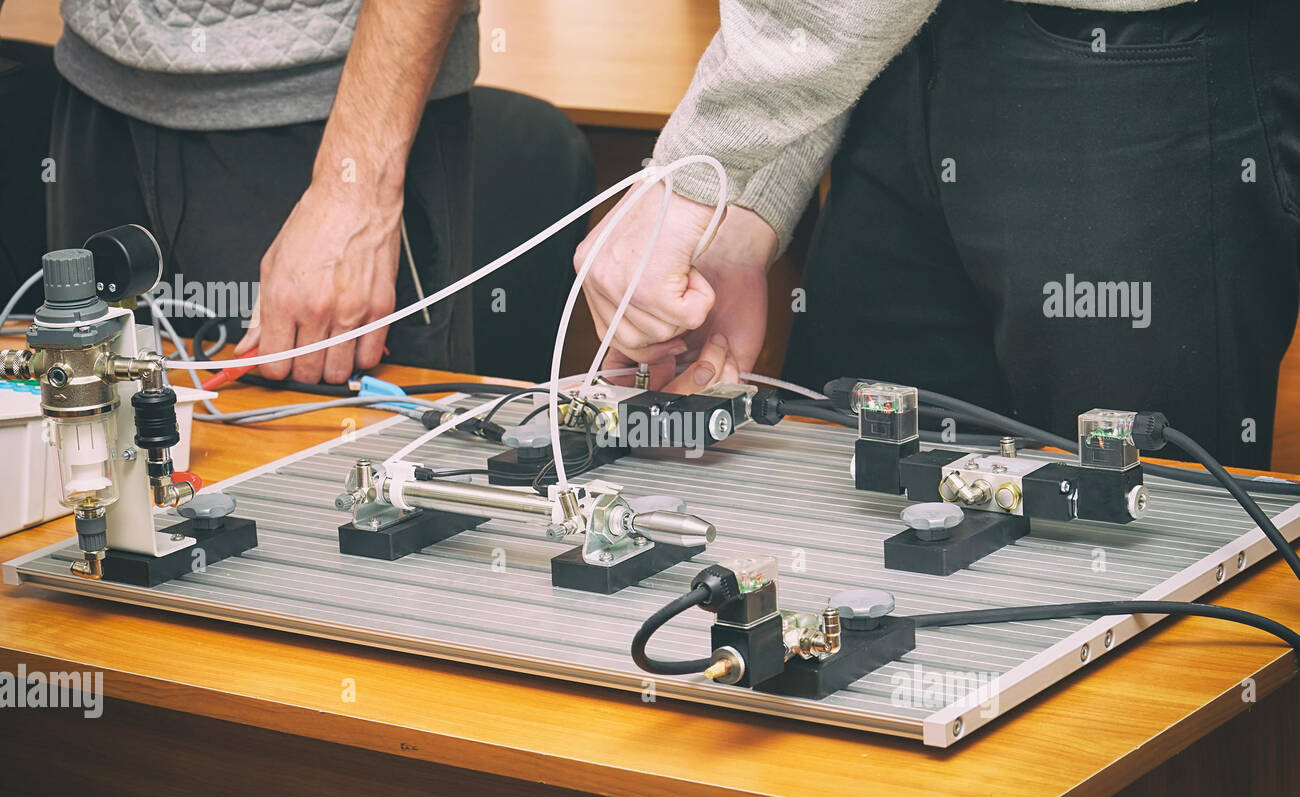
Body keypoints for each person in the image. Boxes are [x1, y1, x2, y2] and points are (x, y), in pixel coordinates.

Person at [578, 0, 1300, 469]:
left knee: (1132, 566)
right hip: (890, 50)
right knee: (852, 525)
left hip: (1138, 55)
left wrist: (704, 170)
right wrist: (745, 200)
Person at [45, 0, 479, 383]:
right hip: (96, 95)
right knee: (85, 421)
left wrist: (355, 189)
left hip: (332, 117)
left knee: (326, 457)